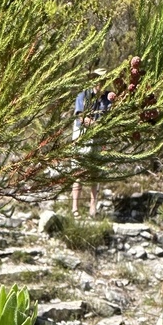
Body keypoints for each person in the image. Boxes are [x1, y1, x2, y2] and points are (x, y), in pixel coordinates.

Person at [71, 69, 114, 217]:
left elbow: (111, 116)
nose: (99, 83)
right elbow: (80, 116)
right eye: (97, 79)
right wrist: (95, 125)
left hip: (99, 137)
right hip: (82, 136)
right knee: (79, 171)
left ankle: (92, 207)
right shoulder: (83, 95)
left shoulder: (108, 99)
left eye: (102, 79)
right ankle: (75, 207)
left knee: (95, 172)